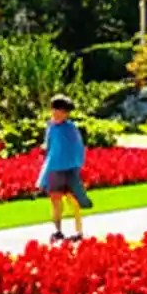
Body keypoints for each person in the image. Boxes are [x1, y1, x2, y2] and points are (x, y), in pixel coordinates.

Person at [37, 95, 92, 242]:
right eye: (55, 110)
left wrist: (77, 164)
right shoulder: (51, 127)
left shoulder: (70, 129)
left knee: (73, 199)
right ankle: (57, 230)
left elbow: (77, 147)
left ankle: (78, 231)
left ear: (67, 114)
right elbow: (48, 145)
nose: (57, 114)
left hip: (69, 168)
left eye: (61, 111)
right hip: (54, 168)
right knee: (55, 199)